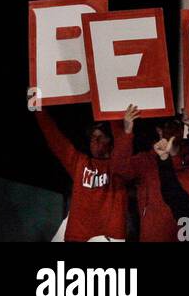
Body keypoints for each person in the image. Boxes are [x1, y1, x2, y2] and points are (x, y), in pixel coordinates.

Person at [32, 97, 131, 242]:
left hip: (108, 238)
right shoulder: (80, 162)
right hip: (78, 237)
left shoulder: (120, 166)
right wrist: (35, 106)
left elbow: (123, 149)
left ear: (111, 141)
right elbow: (53, 136)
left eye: (100, 136)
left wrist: (109, 101)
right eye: (92, 137)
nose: (94, 141)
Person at [113, 108, 189, 242]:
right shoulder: (146, 160)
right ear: (159, 131)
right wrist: (127, 132)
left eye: (178, 126)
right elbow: (119, 168)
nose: (175, 130)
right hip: (155, 235)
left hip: (186, 236)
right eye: (170, 126)